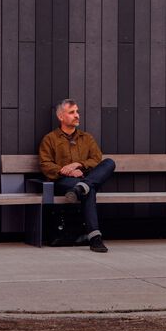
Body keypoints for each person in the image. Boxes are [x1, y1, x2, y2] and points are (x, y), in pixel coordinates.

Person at [38, 97, 113, 252]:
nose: (77, 115)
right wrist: (65, 171)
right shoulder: (50, 139)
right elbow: (45, 164)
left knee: (109, 163)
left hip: (85, 178)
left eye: (77, 111)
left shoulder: (86, 138)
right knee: (89, 189)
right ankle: (95, 238)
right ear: (61, 117)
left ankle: (83, 186)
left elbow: (96, 158)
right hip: (63, 181)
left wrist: (79, 164)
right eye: (72, 112)